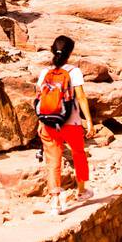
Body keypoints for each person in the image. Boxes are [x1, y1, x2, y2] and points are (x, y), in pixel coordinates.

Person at [35, 35, 93, 216]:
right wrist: (89, 121)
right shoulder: (74, 71)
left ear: (52, 50)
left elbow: (40, 99)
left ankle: (55, 202)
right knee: (79, 154)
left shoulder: (45, 73)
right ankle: (82, 191)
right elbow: (81, 97)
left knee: (53, 161)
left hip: (49, 123)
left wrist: (40, 121)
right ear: (71, 52)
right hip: (71, 122)